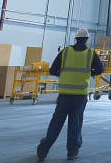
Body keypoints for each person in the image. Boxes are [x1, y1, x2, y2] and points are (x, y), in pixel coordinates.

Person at [36, 29, 103, 161]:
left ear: (76, 39)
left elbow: (52, 70)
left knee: (55, 124)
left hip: (64, 96)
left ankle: (43, 151)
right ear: (87, 39)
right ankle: (72, 152)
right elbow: (100, 69)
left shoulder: (65, 52)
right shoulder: (90, 54)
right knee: (75, 124)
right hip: (80, 97)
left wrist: (64, 74)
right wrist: (89, 72)